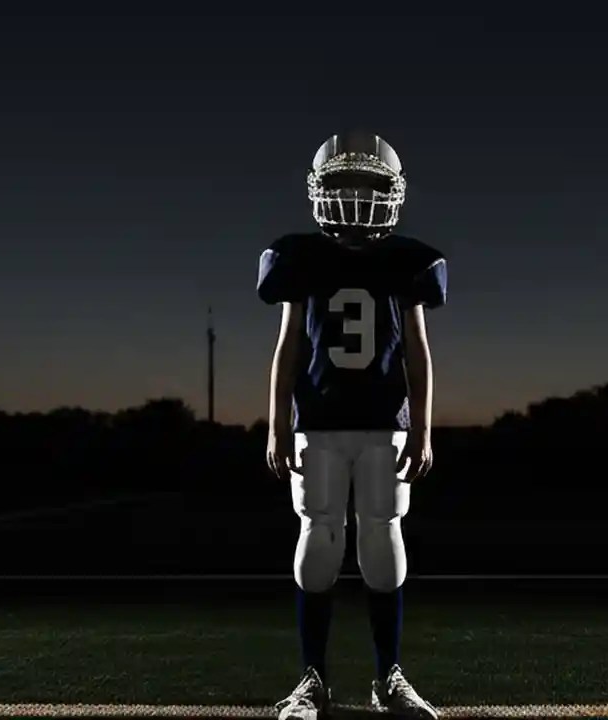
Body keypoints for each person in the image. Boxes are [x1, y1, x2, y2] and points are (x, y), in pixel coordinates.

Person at [257, 130, 447, 720]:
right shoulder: (300, 256)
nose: (356, 198)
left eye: (368, 186)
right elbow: (288, 345)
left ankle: (388, 677)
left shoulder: (406, 260)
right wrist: (277, 422)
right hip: (318, 423)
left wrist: (422, 428)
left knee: (382, 544)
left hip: (384, 423)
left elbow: (417, 348)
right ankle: (311, 679)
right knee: (318, 542)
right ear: (319, 192)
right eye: (344, 185)